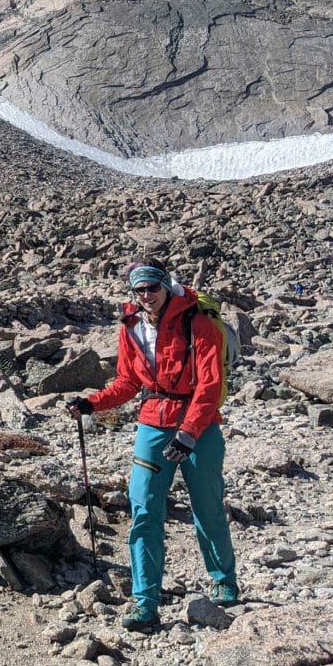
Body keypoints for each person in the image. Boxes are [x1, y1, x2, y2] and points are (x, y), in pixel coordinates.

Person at [66, 259, 239, 632]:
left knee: (207, 506)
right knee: (144, 508)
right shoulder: (131, 326)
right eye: (140, 290)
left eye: (152, 287)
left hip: (200, 426)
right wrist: (92, 403)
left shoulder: (199, 324)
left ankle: (224, 580)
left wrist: (188, 433)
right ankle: (145, 600)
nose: (147, 295)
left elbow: (209, 385)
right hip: (153, 422)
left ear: (165, 284)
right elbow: (128, 382)